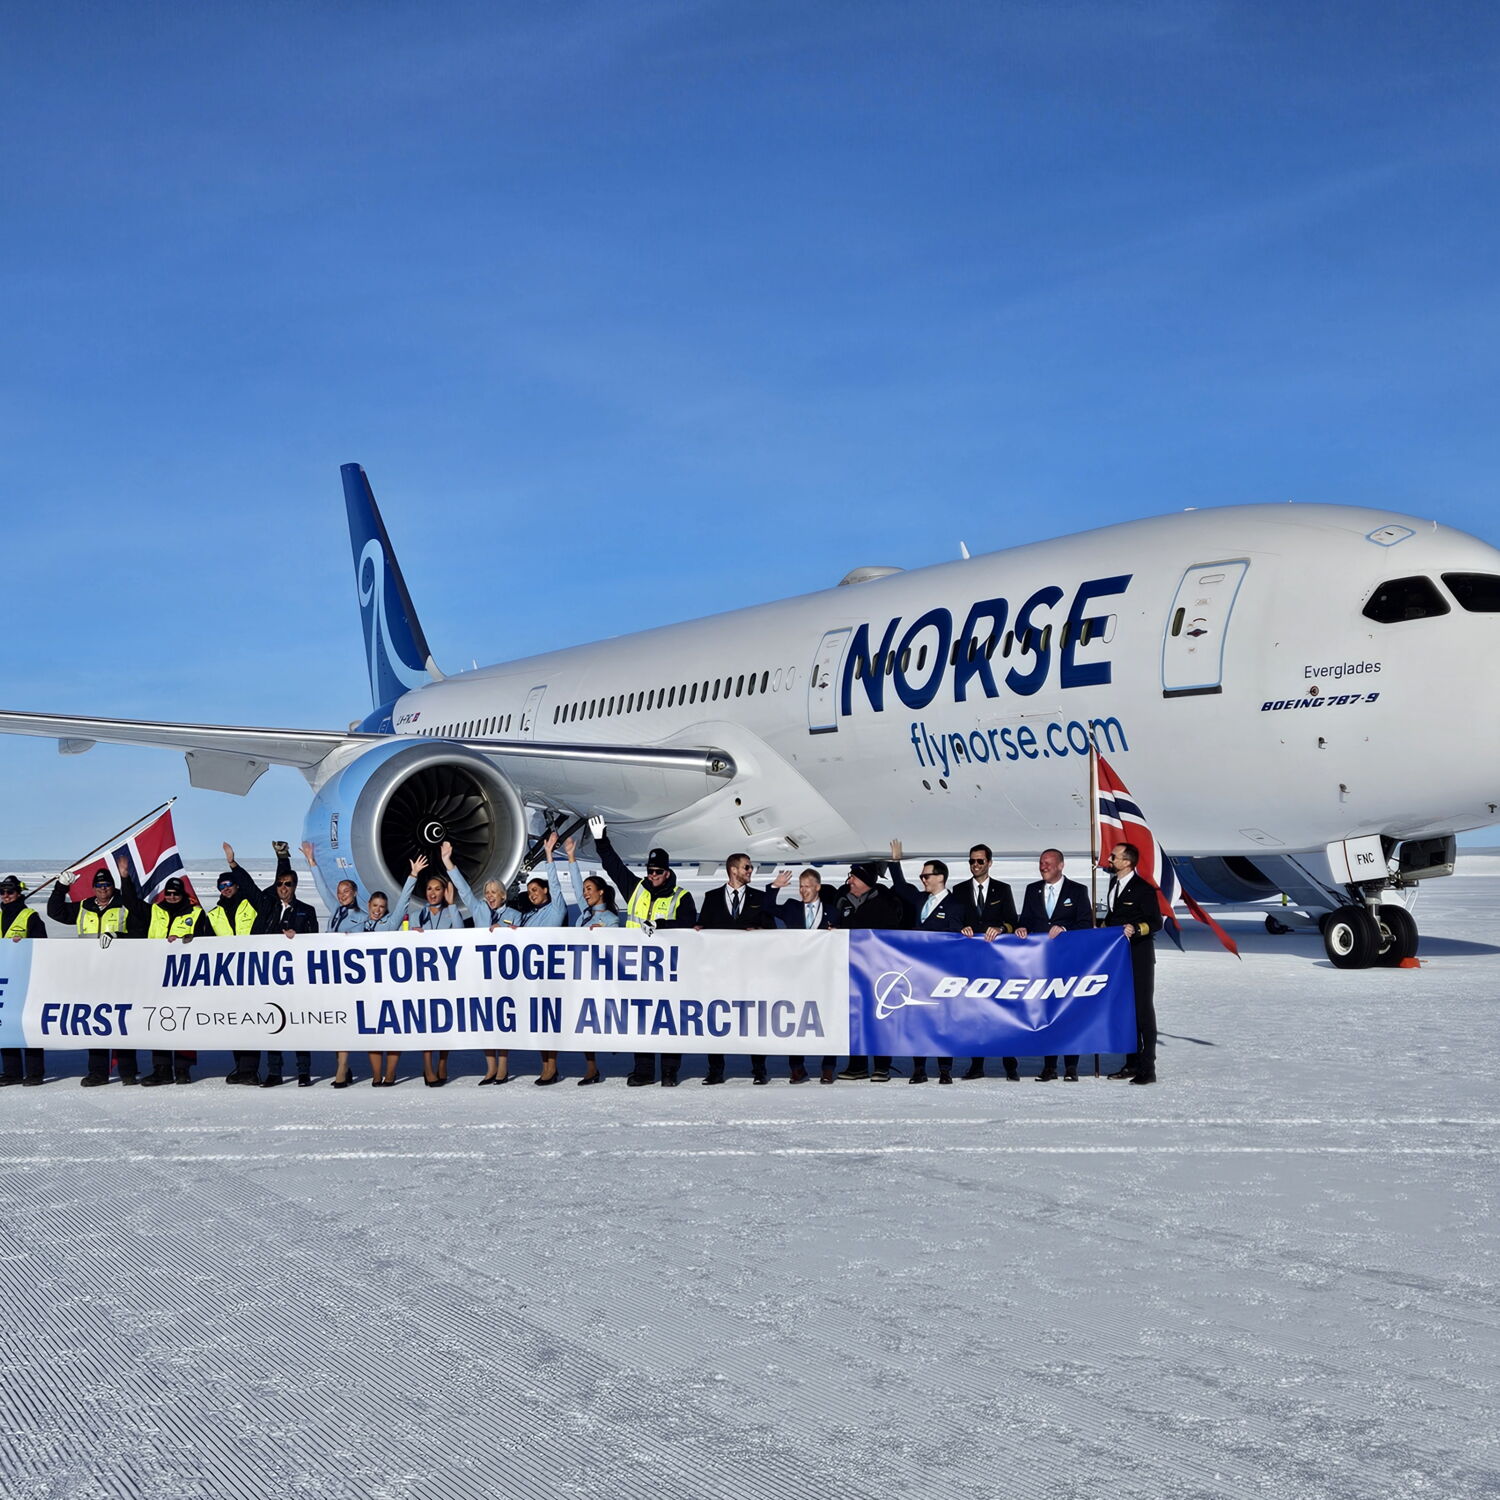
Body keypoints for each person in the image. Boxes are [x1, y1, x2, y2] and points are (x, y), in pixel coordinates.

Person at [589, 815, 697, 1086]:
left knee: (669, 1022)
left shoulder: (681, 896)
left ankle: (670, 1071)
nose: (652, 876)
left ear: (667, 873)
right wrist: (601, 839)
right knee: (642, 1020)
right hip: (638, 968)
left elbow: (687, 923)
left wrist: (661, 925)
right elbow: (613, 866)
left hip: (669, 970)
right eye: (649, 871)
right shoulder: (637, 888)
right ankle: (644, 1071)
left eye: (657, 872)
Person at [118, 858, 213, 1085]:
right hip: (156, 975)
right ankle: (161, 1069)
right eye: (168, 894)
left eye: (175, 894)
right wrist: (125, 878)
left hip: (185, 977)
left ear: (182, 895)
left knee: (183, 1021)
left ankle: (183, 1069)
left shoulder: (197, 914)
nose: (171, 897)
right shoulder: (154, 911)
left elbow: (211, 942)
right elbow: (131, 902)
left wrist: (190, 939)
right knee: (158, 1021)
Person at [395, 841, 478, 1087]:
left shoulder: (451, 912)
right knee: (426, 1026)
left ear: (444, 892)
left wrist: (452, 905)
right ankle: (428, 1067)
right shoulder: (418, 915)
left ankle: (442, 1062)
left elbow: (460, 932)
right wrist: (413, 876)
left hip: (446, 980)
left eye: (437, 889)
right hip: (424, 979)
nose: (432, 893)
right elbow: (399, 917)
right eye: (430, 888)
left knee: (443, 1024)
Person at [887, 842, 965, 1084]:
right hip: (917, 971)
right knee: (917, 1019)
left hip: (941, 972)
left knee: (942, 1021)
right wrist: (895, 863)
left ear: (940, 877)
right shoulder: (920, 899)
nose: (922, 879)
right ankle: (918, 1068)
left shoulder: (956, 905)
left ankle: (944, 1069)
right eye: (921, 875)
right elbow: (900, 887)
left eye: (926, 875)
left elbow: (953, 936)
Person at [50, 864, 135, 1085]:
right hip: (91, 972)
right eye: (99, 885)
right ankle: (98, 1072)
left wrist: (118, 936)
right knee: (96, 1022)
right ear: (93, 887)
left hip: (120, 972)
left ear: (112, 886)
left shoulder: (125, 905)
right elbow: (55, 912)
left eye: (107, 885)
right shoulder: (84, 907)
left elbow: (141, 929)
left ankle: (127, 1071)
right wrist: (61, 887)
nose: (103, 889)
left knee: (121, 1021)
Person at [1015, 848, 1094, 1082]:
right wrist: (1022, 929)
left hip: (1069, 963)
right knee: (1046, 1013)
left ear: (1061, 865)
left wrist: (1065, 930)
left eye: (1048, 863)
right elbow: (1026, 921)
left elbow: (1085, 925)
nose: (1043, 867)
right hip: (1041, 965)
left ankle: (1071, 1066)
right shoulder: (1032, 890)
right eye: (1041, 863)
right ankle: (1049, 1066)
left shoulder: (1078, 891)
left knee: (1069, 1013)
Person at [697, 852, 773, 1085]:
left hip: (751, 971)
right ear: (733, 870)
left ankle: (759, 1069)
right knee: (717, 1018)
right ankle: (716, 1070)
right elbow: (704, 929)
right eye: (747, 867)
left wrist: (760, 932)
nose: (750, 871)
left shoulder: (759, 897)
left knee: (753, 1018)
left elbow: (771, 930)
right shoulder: (711, 898)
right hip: (720, 971)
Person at [501, 835, 569, 1085]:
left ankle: (552, 1068)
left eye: (535, 890)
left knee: (549, 1024)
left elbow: (556, 886)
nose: (531, 895)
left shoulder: (555, 910)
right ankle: (547, 1066)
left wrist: (549, 855)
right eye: (529, 891)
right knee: (540, 1025)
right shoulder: (528, 916)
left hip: (550, 976)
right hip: (531, 977)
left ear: (545, 892)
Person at [250, 843, 319, 1087]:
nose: (283, 888)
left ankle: (303, 1072)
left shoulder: (306, 911)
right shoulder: (267, 908)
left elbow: (313, 944)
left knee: (298, 1024)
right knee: (272, 1023)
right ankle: (275, 1072)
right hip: (269, 977)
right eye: (279, 884)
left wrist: (296, 938)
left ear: (295, 887)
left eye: (287, 884)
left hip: (296, 979)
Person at [951, 844, 1020, 1079]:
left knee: (1002, 1009)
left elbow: (1012, 920)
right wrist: (961, 928)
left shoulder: (1002, 889)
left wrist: (1001, 928)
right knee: (975, 1011)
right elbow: (953, 921)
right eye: (972, 861)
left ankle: (1010, 1063)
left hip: (998, 960)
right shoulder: (959, 890)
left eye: (980, 861)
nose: (975, 866)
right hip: (970, 960)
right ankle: (976, 1064)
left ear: (989, 863)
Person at [835, 860, 907, 1082]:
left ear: (866, 881)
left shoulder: (885, 903)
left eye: (854, 878)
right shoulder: (842, 900)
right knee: (854, 1017)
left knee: (879, 1018)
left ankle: (881, 1066)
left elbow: (892, 933)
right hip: (850, 969)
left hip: (878, 970)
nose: (849, 881)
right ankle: (857, 1065)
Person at [765, 867, 837, 1082]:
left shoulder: (832, 911)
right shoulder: (791, 907)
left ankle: (828, 1067)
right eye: (800, 886)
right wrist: (774, 887)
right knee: (796, 1019)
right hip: (796, 973)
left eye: (807, 887)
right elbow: (767, 908)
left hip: (824, 973)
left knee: (828, 1018)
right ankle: (796, 1066)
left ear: (818, 887)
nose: (802, 891)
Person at [1103, 842, 1162, 1084]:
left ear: (1127, 862)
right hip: (1119, 958)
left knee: (1142, 1011)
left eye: (1114, 856)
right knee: (1125, 1012)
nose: (1109, 858)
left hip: (1139, 956)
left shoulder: (1143, 889)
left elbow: (1155, 922)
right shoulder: (1113, 884)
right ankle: (1131, 1062)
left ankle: (1147, 1068)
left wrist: (1136, 928)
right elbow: (1113, 917)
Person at [212, 843, 270, 1085]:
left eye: (229, 885)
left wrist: (233, 864)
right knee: (234, 1021)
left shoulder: (252, 903)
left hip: (252, 972)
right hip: (228, 976)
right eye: (222, 886)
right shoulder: (213, 914)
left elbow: (250, 886)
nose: (226, 889)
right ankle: (239, 1066)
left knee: (250, 1021)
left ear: (236, 886)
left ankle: (250, 1069)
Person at [563, 835, 617, 1084]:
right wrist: (571, 857)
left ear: (601, 892)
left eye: (589, 890)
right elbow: (574, 886)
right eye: (584, 890)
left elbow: (617, 945)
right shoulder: (584, 915)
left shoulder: (611, 920)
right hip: (581, 977)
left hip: (601, 981)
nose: (584, 894)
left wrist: (604, 934)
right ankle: (591, 1068)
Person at [0, 875, 46, 1086]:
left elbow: (42, 945)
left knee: (28, 1023)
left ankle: (35, 1072)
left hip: (26, 979)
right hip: (4, 980)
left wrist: (25, 943)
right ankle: (12, 1072)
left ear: (19, 893)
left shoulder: (30, 916)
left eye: (10, 892)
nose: (6, 896)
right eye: (2, 892)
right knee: (5, 1023)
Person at [471, 875, 516, 1086]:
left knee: (503, 1021)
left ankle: (503, 1067)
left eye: (494, 892)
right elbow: (463, 890)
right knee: (486, 1021)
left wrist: (508, 931)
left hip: (505, 976)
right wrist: (448, 862)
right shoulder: (479, 911)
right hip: (482, 975)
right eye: (487, 893)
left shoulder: (514, 916)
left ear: (503, 895)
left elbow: (525, 939)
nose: (490, 896)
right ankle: (490, 1067)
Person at [360, 891, 404, 1087]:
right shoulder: (358, 925)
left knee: (392, 1032)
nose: (378, 910)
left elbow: (403, 903)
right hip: (367, 988)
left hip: (388, 986)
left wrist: (412, 876)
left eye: (382, 907)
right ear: (368, 904)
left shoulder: (390, 925)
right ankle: (377, 1074)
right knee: (373, 1033)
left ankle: (391, 1072)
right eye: (375, 905)